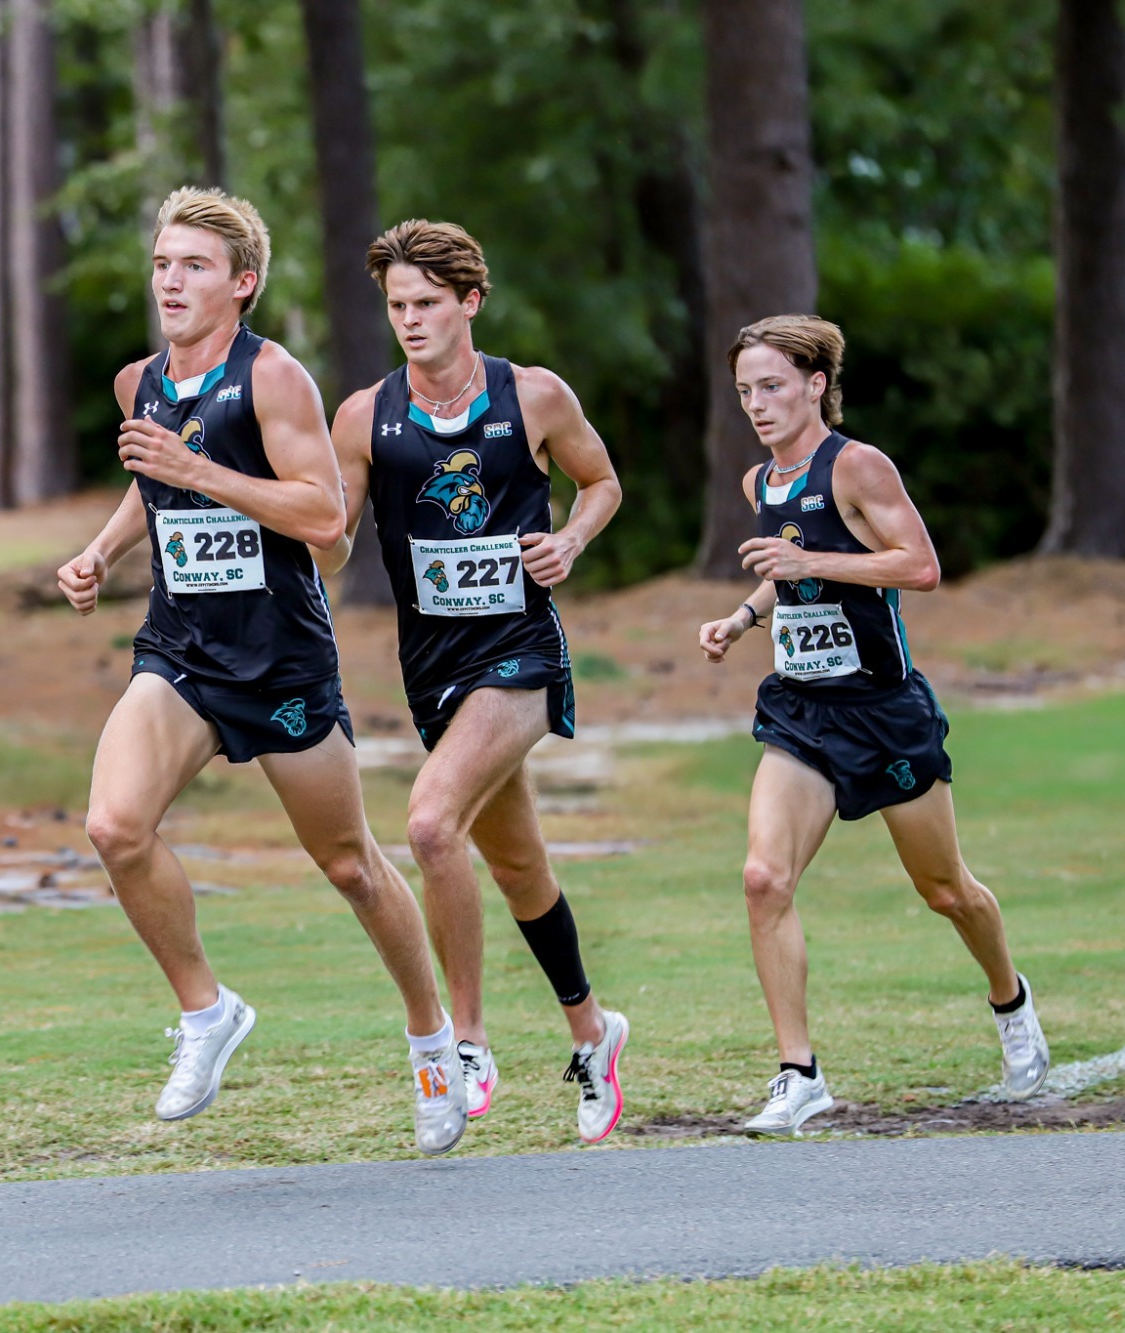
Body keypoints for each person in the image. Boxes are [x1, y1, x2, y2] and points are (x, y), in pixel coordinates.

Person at [57, 187, 467, 1154]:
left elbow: (326, 523)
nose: (170, 280)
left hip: (279, 654)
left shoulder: (275, 380)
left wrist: (197, 473)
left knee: (350, 865)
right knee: (115, 825)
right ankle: (207, 1012)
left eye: (193, 266)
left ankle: (433, 1041)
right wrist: (105, 551)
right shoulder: (139, 381)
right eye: (162, 263)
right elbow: (151, 477)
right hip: (181, 649)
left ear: (241, 285)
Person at [314, 219, 630, 1143]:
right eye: (397, 305)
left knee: (427, 823)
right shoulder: (363, 415)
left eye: (426, 303)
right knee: (518, 863)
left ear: (469, 303)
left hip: (522, 651)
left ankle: (466, 1041)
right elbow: (330, 537)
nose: (409, 320)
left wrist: (570, 538)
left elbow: (601, 481)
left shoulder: (531, 395)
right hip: (433, 667)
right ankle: (592, 1030)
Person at [696, 314, 1051, 1135]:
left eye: (773, 385)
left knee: (945, 889)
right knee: (763, 878)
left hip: (884, 712)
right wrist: (742, 618)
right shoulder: (761, 485)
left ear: (817, 383)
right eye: (746, 390)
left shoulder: (857, 466)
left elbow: (920, 566)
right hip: (801, 709)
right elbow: (785, 576)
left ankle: (1010, 999)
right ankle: (799, 1073)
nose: (758, 403)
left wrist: (809, 564)